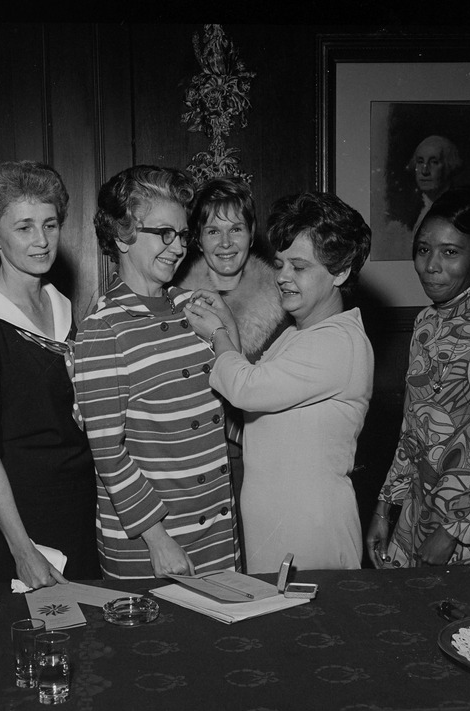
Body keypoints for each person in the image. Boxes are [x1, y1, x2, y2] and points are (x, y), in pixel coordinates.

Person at [185, 191, 374, 572]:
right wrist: (228, 321)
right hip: (277, 527)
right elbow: (251, 394)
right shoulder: (299, 334)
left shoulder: (338, 342)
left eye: (299, 267)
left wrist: (219, 331)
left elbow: (246, 388)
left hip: (309, 530)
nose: (283, 277)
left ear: (340, 271)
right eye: (280, 264)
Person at [73, 164, 240, 579]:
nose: (178, 247)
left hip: (217, 529)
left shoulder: (194, 306)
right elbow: (108, 452)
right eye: (164, 233)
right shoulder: (102, 328)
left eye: (182, 235)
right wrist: (158, 539)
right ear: (121, 234)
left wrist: (228, 330)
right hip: (155, 542)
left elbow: (232, 405)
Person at [0, 161, 101, 588]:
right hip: (22, 520)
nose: (42, 241)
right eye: (24, 228)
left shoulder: (62, 306)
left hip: (80, 508)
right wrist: (22, 549)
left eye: (50, 225)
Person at [366, 186, 470, 569]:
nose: (431, 265)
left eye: (450, 252)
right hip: (415, 513)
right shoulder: (426, 323)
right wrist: (384, 506)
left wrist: (455, 531)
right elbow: (412, 428)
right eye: (424, 249)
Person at [172, 177, 290, 558]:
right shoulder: (173, 302)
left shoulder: (286, 301)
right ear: (197, 238)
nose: (225, 243)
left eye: (235, 229)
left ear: (251, 233)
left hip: (262, 464)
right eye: (213, 230)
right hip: (191, 468)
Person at [407, 134, 462, 234]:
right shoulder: (413, 211)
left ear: (449, 166)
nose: (424, 171)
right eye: (420, 162)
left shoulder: (458, 212)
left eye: (434, 162)